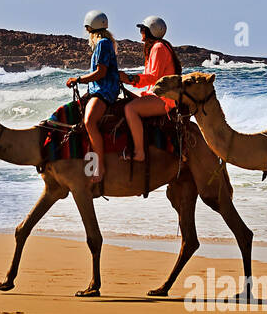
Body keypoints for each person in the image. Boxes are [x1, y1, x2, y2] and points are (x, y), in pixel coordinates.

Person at [65, 10, 120, 186]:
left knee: (89, 122)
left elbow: (101, 72)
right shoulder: (104, 43)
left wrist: (79, 79)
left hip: (104, 91)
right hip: (99, 89)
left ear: (89, 28)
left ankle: (99, 167)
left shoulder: (103, 44)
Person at [122, 15, 181, 163]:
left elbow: (153, 77)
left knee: (130, 109)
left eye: (143, 29)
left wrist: (129, 79)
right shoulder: (159, 46)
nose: (140, 31)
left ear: (150, 31)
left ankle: (139, 153)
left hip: (164, 99)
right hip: (158, 95)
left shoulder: (158, 48)